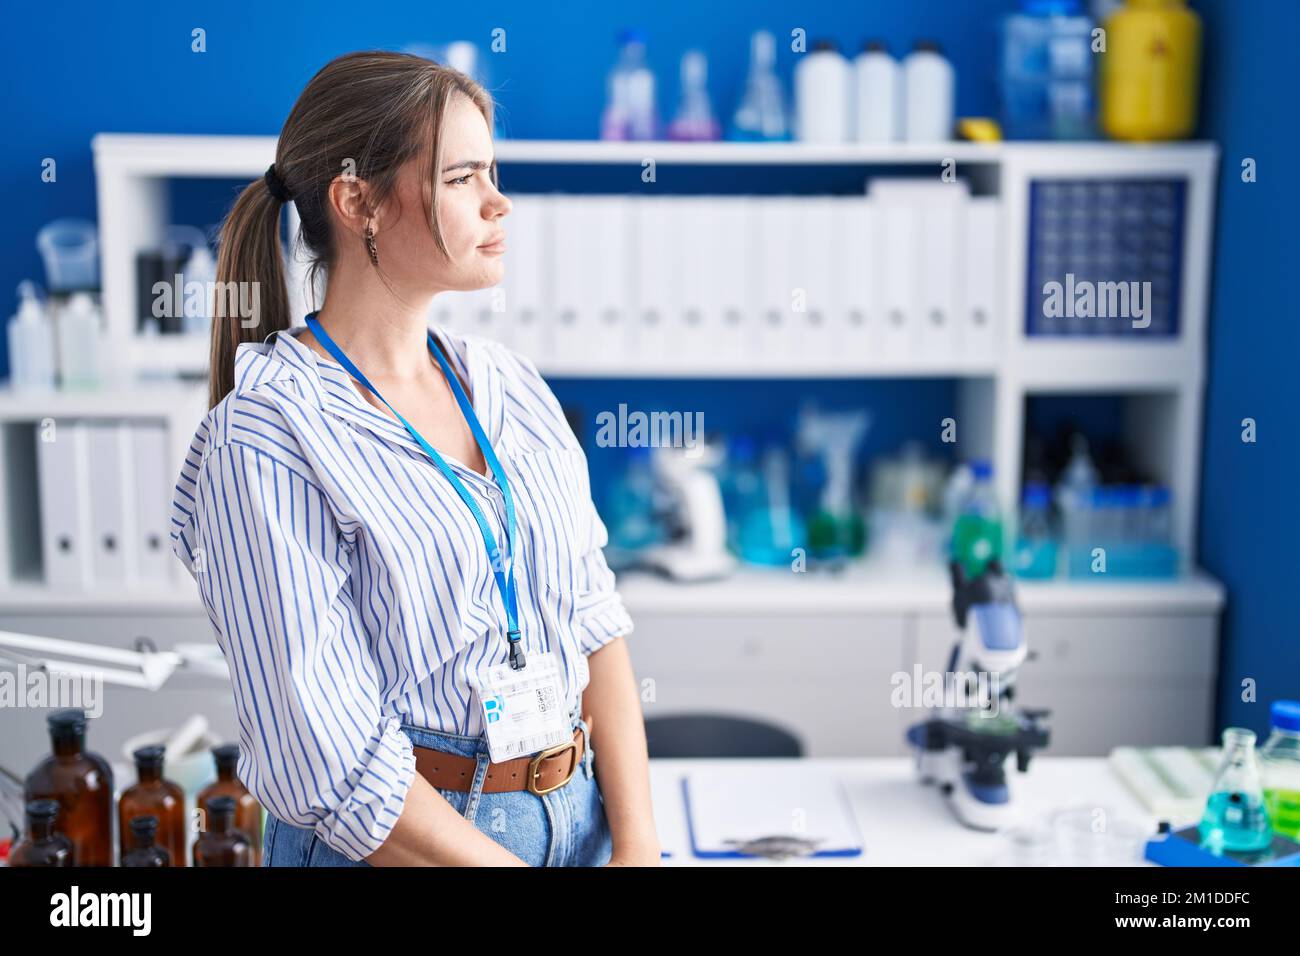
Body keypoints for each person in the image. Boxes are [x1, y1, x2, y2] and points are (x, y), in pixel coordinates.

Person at [169, 50, 659, 867]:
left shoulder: (507, 384)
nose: (499, 202)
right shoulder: (266, 429)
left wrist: (639, 848)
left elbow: (594, 625)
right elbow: (322, 752)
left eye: (492, 172)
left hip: (580, 818)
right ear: (358, 199)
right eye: (463, 177)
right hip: (417, 842)